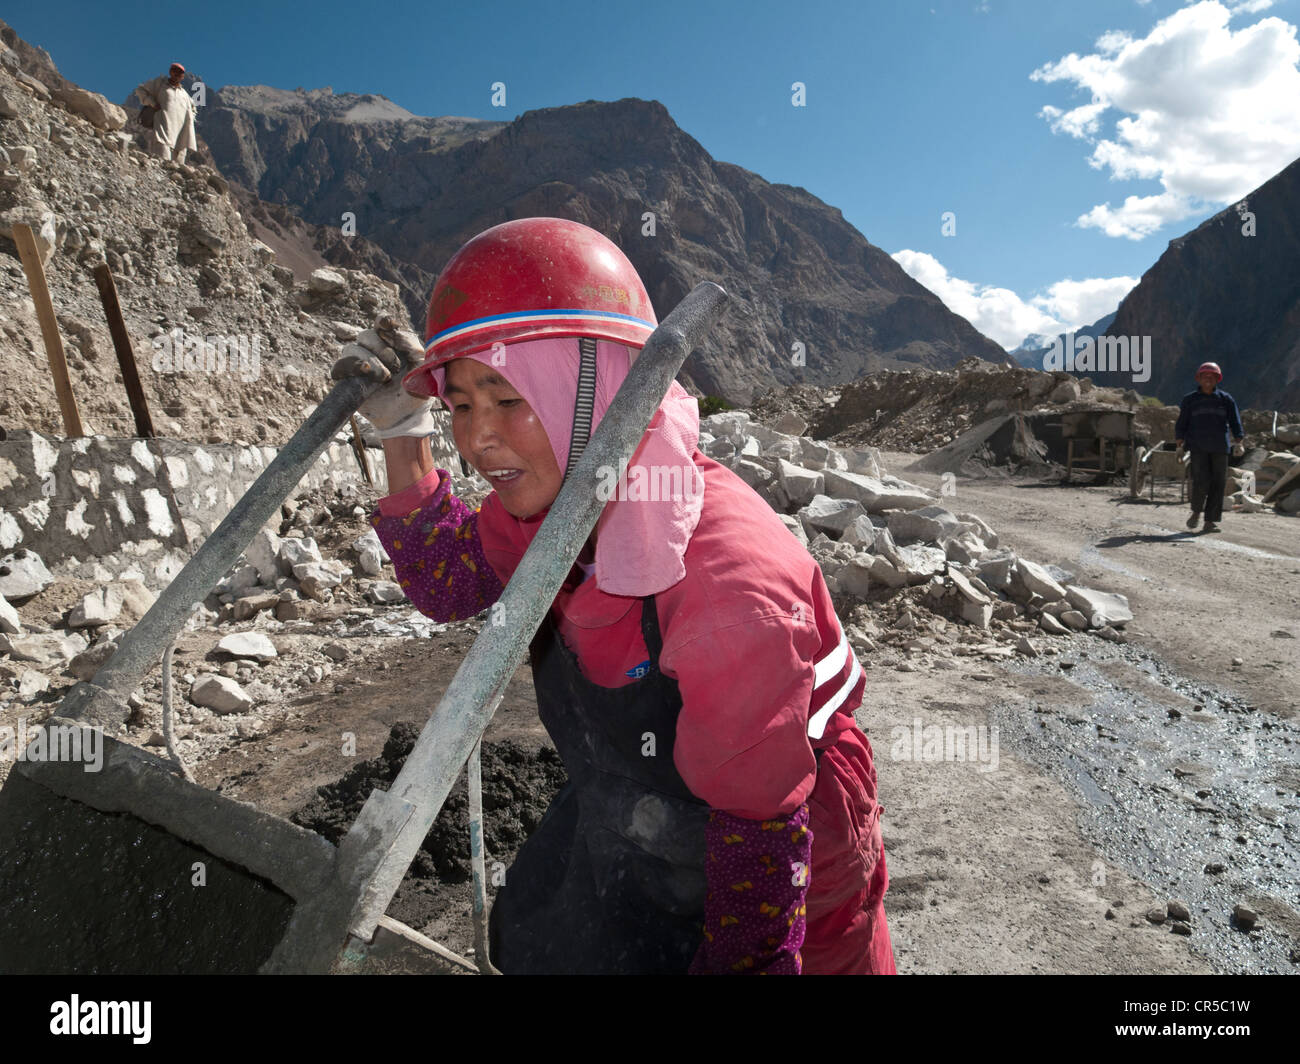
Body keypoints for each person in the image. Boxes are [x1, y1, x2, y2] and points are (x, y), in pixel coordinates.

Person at [330, 217, 895, 975]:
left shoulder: (731, 589)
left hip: (782, 843)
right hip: (635, 809)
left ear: (589, 389)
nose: (477, 440)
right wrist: (405, 428)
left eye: (506, 398)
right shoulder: (555, 509)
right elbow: (447, 580)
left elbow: (759, 860)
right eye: (462, 405)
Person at [1174, 361, 1244, 534]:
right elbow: (1182, 422)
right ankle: (1197, 512)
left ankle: (1210, 521)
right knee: (1200, 481)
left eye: (1212, 376)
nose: (1208, 379)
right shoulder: (1190, 400)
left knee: (1218, 483)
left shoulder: (1226, 399)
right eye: (1205, 376)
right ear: (1199, 378)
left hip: (1220, 447)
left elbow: (1235, 421)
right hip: (1197, 447)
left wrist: (1239, 442)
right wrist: (1179, 445)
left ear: (1216, 379)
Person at [135, 62, 197, 165]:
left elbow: (193, 109)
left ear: (183, 76)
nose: (176, 74)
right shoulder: (160, 84)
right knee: (162, 165)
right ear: (170, 72)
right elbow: (141, 90)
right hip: (163, 133)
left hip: (180, 140)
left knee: (177, 171)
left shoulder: (185, 95)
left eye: (180, 72)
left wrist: (191, 118)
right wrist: (152, 103)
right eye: (174, 70)